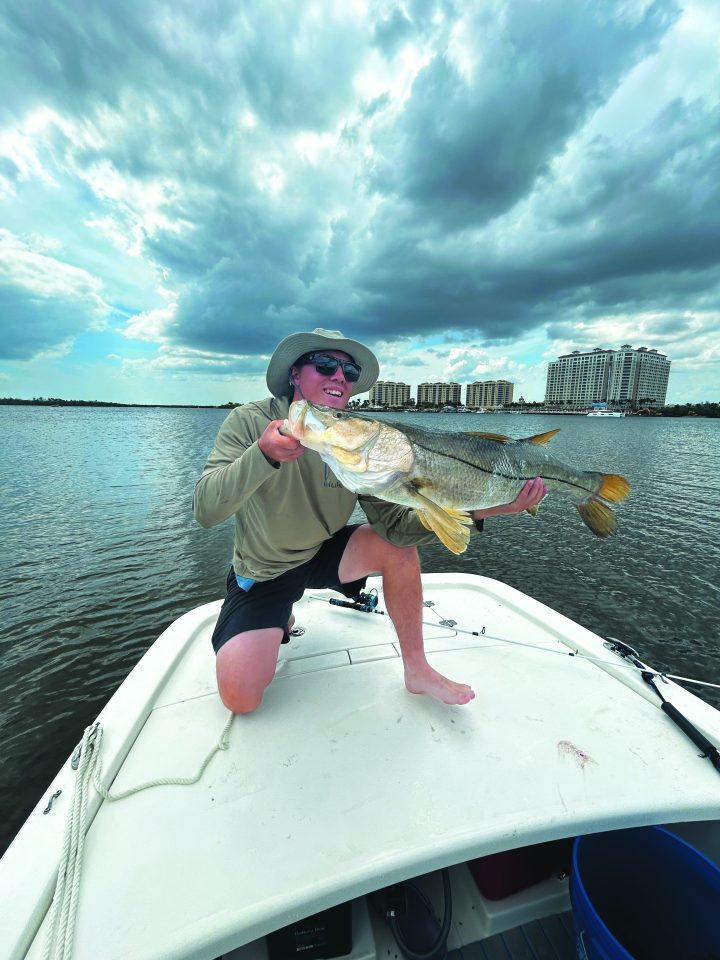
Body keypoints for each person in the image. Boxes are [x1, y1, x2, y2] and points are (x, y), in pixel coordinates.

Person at [193, 328, 547, 714]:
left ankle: (418, 668)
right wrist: (262, 454)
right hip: (265, 568)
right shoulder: (248, 421)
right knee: (240, 698)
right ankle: (279, 615)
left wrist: (489, 509)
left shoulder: (358, 437)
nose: (339, 376)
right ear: (294, 373)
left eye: (350, 370)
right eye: (325, 364)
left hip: (321, 551)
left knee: (397, 548)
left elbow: (395, 526)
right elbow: (206, 510)